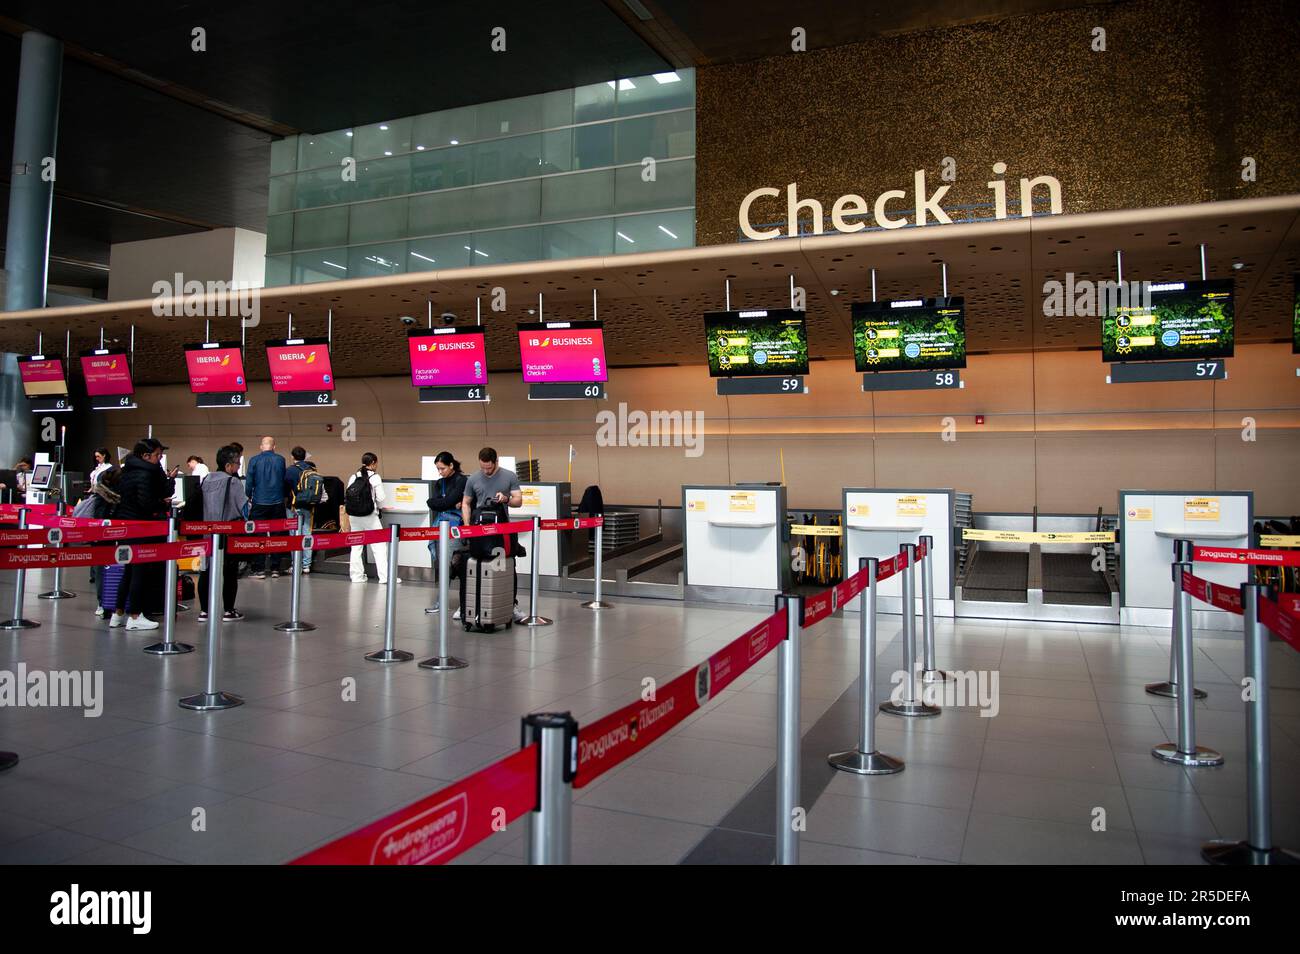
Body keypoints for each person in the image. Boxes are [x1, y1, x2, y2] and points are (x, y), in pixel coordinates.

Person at [109, 439, 175, 631]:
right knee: (140, 571)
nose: (159, 459)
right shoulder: (148, 473)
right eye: (157, 455)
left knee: (128, 571)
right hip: (141, 528)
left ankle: (118, 613)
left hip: (126, 526)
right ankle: (136, 616)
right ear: (146, 456)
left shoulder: (127, 470)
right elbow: (146, 503)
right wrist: (163, 503)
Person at [461, 446, 523, 617]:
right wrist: (467, 527)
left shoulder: (509, 476)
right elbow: (466, 502)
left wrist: (506, 499)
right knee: (474, 564)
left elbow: (519, 500)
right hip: (479, 527)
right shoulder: (473, 478)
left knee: (504, 564)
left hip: (501, 528)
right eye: (483, 467)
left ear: (497, 461)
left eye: (489, 467)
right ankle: (467, 603)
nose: (486, 471)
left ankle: (511, 604)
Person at [197, 445, 246, 622]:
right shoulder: (232, 482)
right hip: (227, 534)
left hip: (206, 534)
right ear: (228, 466)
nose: (238, 467)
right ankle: (228, 610)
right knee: (230, 572)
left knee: (206, 571)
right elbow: (243, 507)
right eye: (237, 463)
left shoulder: (206, 480)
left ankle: (204, 611)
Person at [346, 452, 396, 584]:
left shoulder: (353, 476)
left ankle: (356, 576)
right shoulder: (375, 477)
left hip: (354, 516)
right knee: (379, 546)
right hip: (369, 515)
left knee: (356, 546)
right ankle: (385, 577)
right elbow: (380, 498)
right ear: (373, 463)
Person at [425, 451, 467, 610]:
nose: (440, 472)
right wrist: (449, 503)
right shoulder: (439, 483)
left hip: (455, 527)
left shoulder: (461, 481)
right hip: (440, 526)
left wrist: (444, 502)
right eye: (438, 469)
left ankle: (462, 603)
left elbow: (442, 502)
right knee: (442, 563)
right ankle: (441, 601)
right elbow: (432, 502)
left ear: (451, 465)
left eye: (442, 468)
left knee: (452, 564)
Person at [244, 436, 287, 578]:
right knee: (276, 535)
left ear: (261, 447)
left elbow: (249, 481)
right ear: (274, 447)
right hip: (278, 502)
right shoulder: (280, 460)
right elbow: (283, 479)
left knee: (258, 536)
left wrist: (248, 496)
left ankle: (259, 569)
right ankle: (275, 568)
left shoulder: (254, 460)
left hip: (259, 502)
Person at [285, 446, 326, 573]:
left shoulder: (290, 470)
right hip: (309, 506)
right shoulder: (311, 469)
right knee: (307, 534)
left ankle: (295, 564)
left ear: (292, 457)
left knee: (294, 535)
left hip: (294, 506)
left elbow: (285, 488)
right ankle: (306, 565)